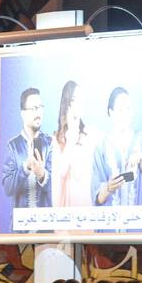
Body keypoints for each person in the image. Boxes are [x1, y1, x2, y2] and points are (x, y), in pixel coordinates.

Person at [91, 87, 142, 223]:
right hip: (109, 228)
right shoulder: (101, 147)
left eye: (128, 109)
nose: (125, 114)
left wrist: (141, 159)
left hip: (140, 227)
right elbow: (97, 197)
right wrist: (108, 187)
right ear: (111, 112)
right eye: (120, 110)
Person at [1, 87, 52, 215]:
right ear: (23, 113)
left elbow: (59, 189)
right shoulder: (13, 146)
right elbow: (7, 189)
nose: (38, 112)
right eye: (34, 108)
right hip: (20, 228)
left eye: (40, 107)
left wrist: (42, 174)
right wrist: (25, 168)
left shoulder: (50, 143)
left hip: (46, 228)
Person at [50, 80, 91, 208]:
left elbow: (81, 173)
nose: (78, 103)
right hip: (65, 213)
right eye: (73, 99)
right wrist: (71, 135)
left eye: (80, 98)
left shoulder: (89, 136)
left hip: (86, 210)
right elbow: (61, 172)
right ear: (66, 104)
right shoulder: (56, 140)